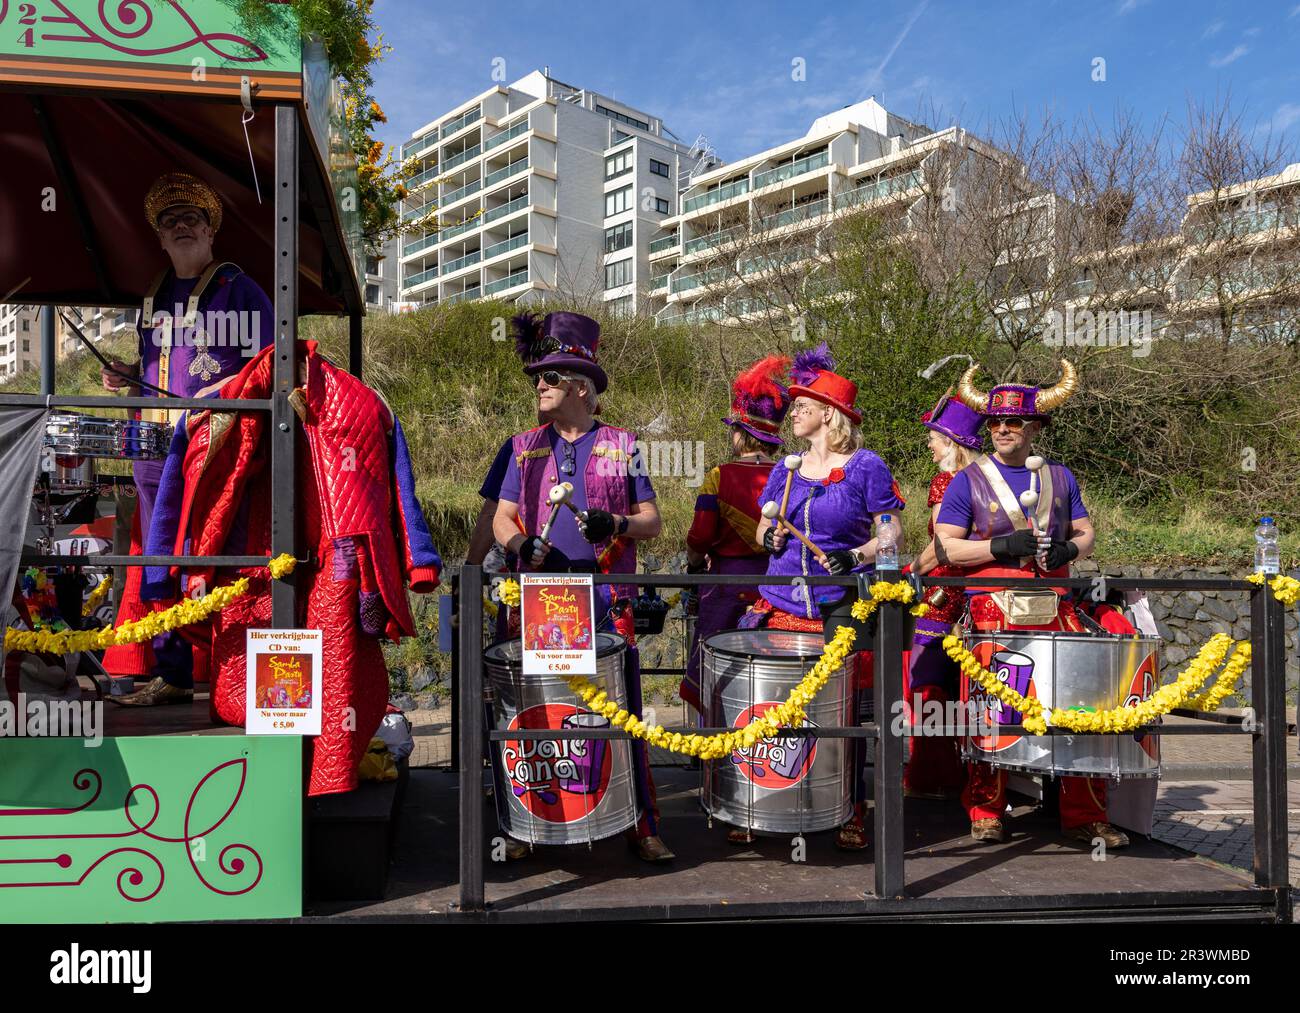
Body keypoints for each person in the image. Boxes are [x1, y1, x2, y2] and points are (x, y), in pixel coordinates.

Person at [491, 311, 673, 863]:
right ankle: (525, 824)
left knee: (621, 710)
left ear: (580, 387)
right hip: (538, 598)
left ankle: (640, 823)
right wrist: (521, 546)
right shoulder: (522, 446)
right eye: (538, 378)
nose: (539, 385)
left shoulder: (624, 444)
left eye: (549, 378)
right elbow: (502, 518)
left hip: (603, 600)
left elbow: (653, 520)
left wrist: (614, 524)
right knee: (533, 709)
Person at [934, 359, 1132, 849]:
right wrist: (999, 548)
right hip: (990, 607)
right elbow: (945, 548)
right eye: (994, 423)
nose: (1002, 430)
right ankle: (985, 811)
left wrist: (1071, 549)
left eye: (1013, 422)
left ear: (1035, 428)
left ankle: (1085, 814)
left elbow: (1085, 531)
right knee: (992, 709)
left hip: (1057, 605)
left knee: (1078, 706)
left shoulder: (1061, 478)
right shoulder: (968, 481)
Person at [104, 172, 273, 706]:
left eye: (192, 219)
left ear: (210, 230)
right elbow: (160, 366)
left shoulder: (239, 289)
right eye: (169, 221)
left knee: (216, 552)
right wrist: (127, 371)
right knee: (157, 558)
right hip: (153, 448)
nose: (181, 227)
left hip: (214, 446)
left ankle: (234, 677)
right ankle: (174, 673)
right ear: (158, 236)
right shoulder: (153, 295)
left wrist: (226, 388)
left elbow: (272, 362)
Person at [746, 343, 905, 851]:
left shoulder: (866, 467)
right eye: (795, 405)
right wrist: (767, 538)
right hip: (780, 601)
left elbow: (892, 533)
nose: (793, 411)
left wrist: (857, 556)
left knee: (838, 714)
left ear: (830, 415)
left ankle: (846, 810)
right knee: (770, 708)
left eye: (804, 405)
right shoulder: (786, 467)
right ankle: (760, 806)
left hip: (839, 602)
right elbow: (762, 528)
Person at [680, 355, 790, 712]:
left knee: (716, 667)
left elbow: (699, 538)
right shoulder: (792, 477)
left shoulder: (719, 475)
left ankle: (713, 749)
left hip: (725, 585)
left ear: (741, 434)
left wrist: (694, 568)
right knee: (771, 672)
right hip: (778, 586)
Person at [903, 390, 984, 798]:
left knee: (927, 685)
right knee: (970, 689)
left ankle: (933, 776)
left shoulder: (945, 482)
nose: (930, 444)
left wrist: (909, 573)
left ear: (951, 442)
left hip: (941, 595)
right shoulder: (986, 480)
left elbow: (940, 546)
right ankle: (977, 779)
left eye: (934, 437)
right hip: (977, 595)